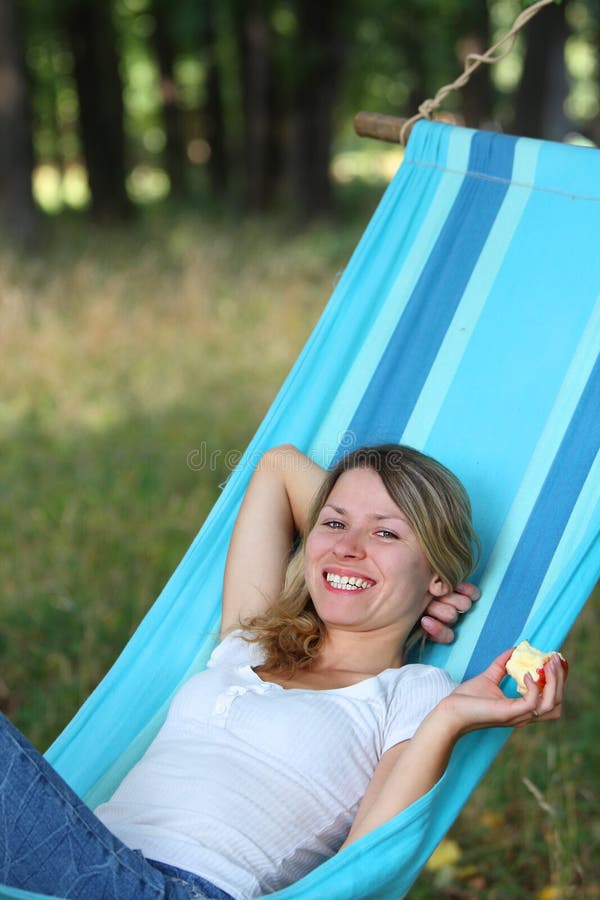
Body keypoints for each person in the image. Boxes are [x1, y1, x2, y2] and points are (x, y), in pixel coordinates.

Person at [0, 444, 565, 900]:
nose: (347, 547)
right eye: (334, 523)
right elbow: (277, 467)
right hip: (87, 859)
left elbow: (359, 870)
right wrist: (396, 574)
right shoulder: (251, 639)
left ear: (441, 574)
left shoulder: (414, 694)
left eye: (386, 533)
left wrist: (450, 720)